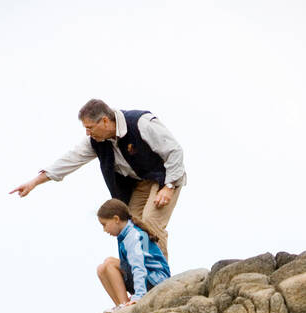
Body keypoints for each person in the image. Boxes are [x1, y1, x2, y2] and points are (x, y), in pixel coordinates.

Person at [10, 98, 185, 258]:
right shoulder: (96, 141)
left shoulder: (141, 123)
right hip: (140, 184)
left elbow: (174, 151)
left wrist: (169, 186)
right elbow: (70, 159)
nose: (87, 133)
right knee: (131, 227)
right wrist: (34, 182)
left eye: (90, 127)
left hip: (166, 176)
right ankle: (142, 280)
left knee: (150, 222)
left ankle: (161, 280)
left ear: (105, 121)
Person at [95, 198, 170, 309]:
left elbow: (139, 267)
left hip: (156, 281)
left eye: (104, 224)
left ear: (116, 219)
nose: (104, 230)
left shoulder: (133, 236)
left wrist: (139, 296)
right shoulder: (125, 235)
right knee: (101, 269)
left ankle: (127, 308)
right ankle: (121, 305)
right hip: (147, 279)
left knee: (109, 263)